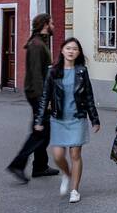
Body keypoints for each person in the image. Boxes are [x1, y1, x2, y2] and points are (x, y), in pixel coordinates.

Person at [36, 38, 101, 202]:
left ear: (78, 53)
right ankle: (66, 173)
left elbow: (88, 96)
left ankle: (74, 190)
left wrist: (94, 119)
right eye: (68, 48)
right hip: (58, 119)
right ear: (62, 50)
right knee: (58, 156)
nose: (71, 51)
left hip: (77, 117)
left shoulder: (81, 71)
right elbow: (45, 96)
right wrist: (39, 119)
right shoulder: (52, 72)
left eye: (75, 49)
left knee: (75, 153)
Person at [7, 13, 60, 183]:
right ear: (45, 24)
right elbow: (37, 75)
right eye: (52, 22)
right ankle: (18, 164)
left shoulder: (40, 42)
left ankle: (40, 166)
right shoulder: (37, 45)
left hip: (38, 93)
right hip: (37, 94)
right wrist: (44, 100)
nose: (54, 25)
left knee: (43, 131)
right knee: (40, 132)